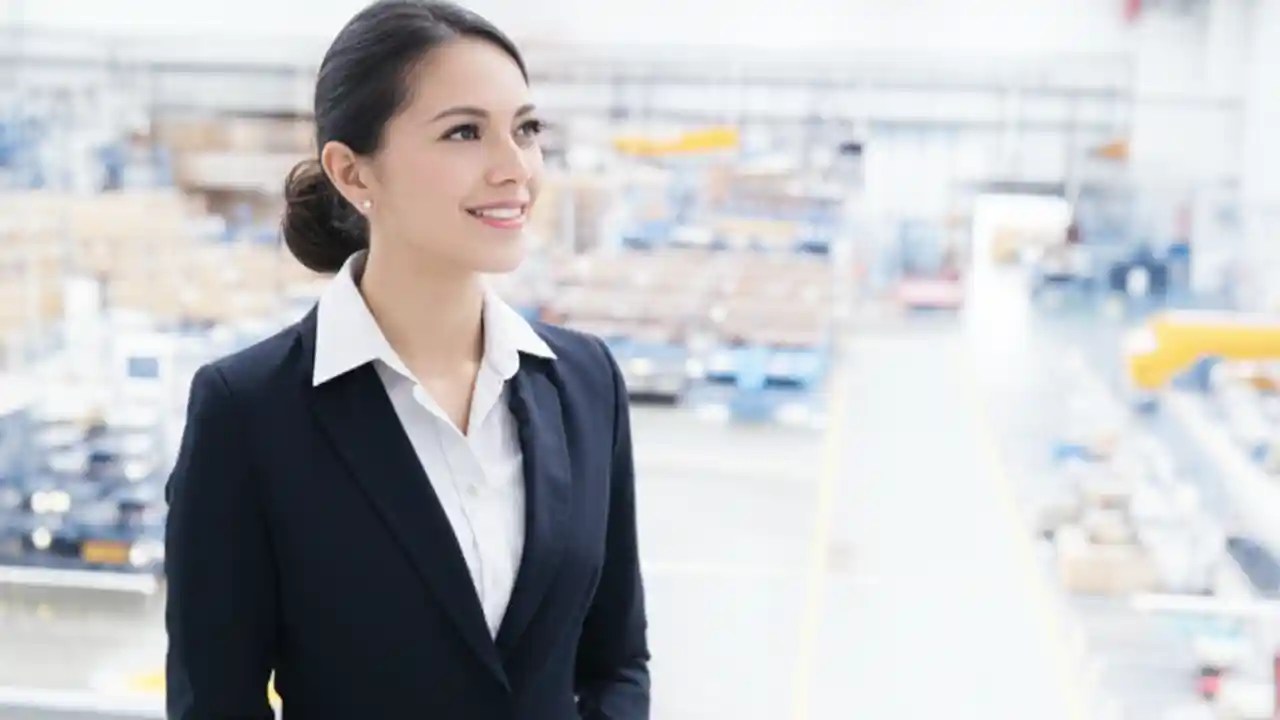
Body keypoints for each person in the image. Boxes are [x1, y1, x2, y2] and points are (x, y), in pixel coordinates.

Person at [163, 2, 650, 718]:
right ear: (354, 174)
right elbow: (217, 702)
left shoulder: (585, 383)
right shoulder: (249, 413)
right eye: (463, 132)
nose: (514, 167)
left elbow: (616, 661)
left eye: (526, 129)